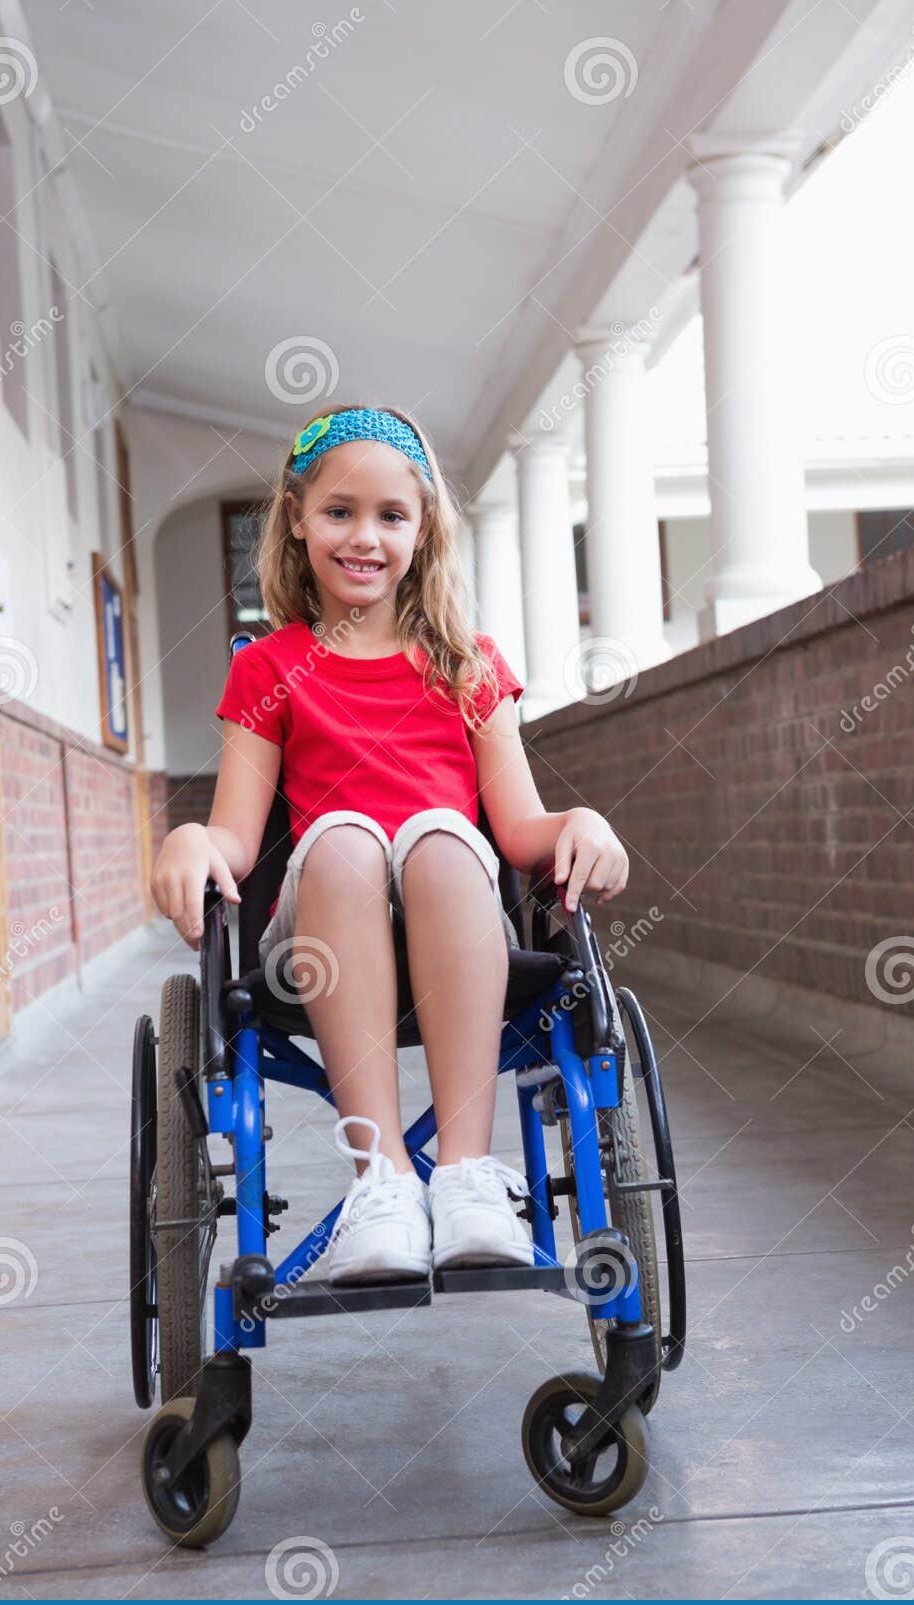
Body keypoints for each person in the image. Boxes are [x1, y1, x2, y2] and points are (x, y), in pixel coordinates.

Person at [151, 404, 629, 1284]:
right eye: (339, 512)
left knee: (444, 837)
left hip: (459, 923)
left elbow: (520, 830)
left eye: (389, 516)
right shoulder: (268, 668)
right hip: (321, 931)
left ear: (422, 530)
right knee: (343, 838)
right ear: (296, 520)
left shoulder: (467, 666)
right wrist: (188, 838)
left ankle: (464, 1173)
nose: (362, 536)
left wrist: (581, 824)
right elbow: (236, 837)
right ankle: (379, 1179)